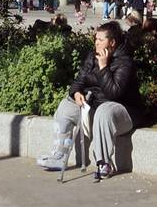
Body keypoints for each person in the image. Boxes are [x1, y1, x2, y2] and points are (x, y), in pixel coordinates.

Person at [37, 21, 138, 180]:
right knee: (66, 106)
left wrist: (104, 67)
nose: (96, 43)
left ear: (111, 42)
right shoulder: (92, 57)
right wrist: (76, 93)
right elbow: (78, 82)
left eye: (100, 40)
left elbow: (114, 94)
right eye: (95, 39)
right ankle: (59, 155)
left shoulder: (124, 62)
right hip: (94, 108)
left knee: (105, 110)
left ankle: (104, 162)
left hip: (121, 112)